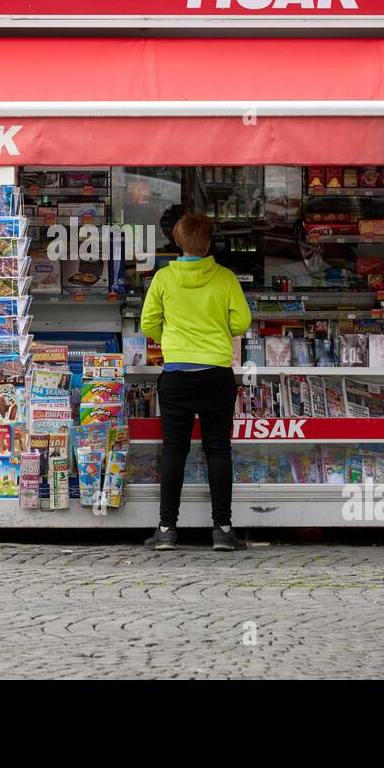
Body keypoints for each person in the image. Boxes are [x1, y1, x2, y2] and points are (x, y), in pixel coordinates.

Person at [139, 212, 252, 551]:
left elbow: (148, 325)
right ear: (209, 242)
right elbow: (241, 322)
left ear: (177, 241)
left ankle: (166, 529)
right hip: (217, 374)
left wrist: (174, 342)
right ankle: (222, 529)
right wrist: (216, 333)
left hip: (176, 375)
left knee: (174, 451)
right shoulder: (226, 278)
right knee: (218, 450)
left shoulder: (163, 279)